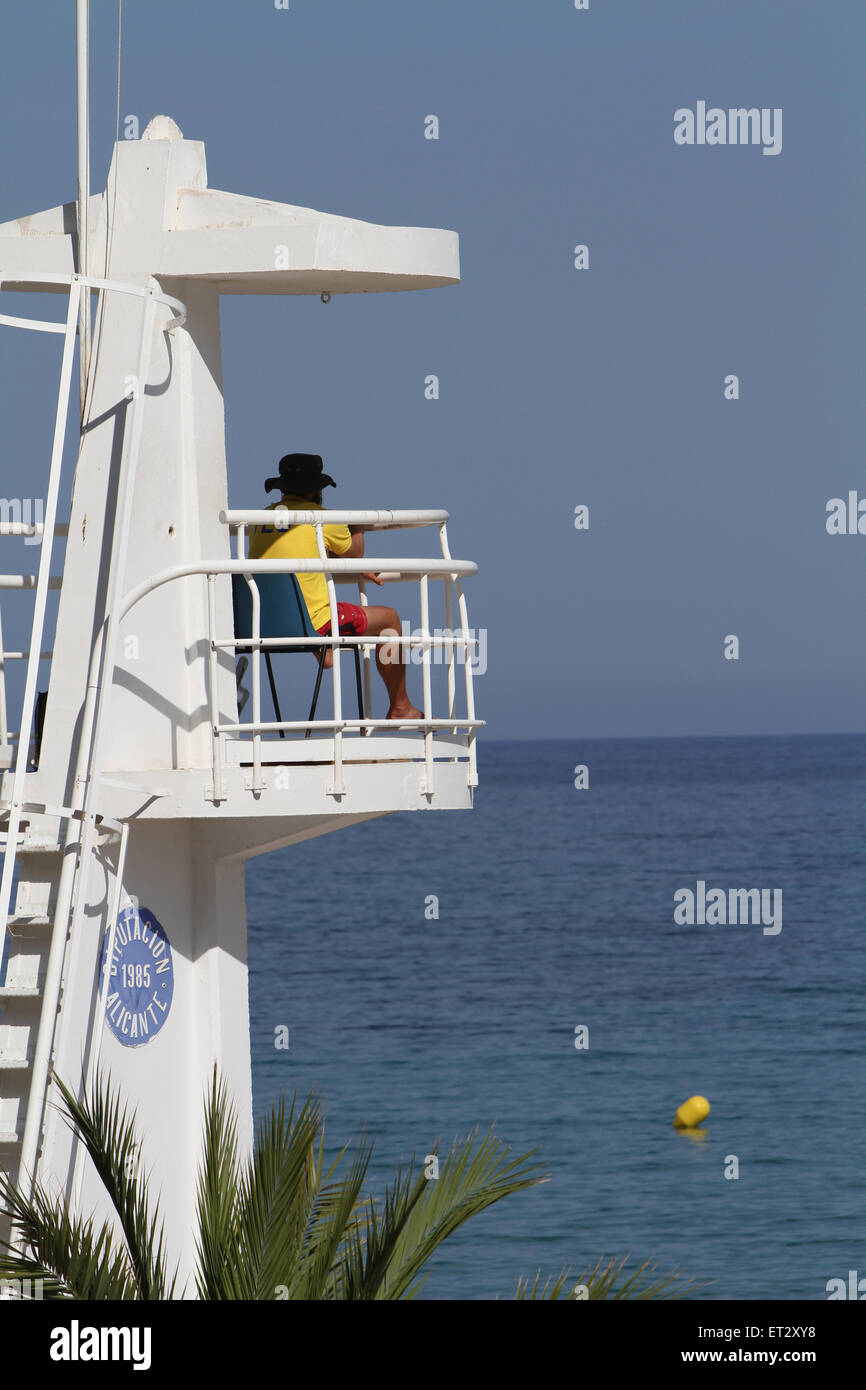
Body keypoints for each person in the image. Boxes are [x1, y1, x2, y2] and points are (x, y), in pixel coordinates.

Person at [247, 453, 422, 722]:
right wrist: (357, 525)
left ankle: (324, 652)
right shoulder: (321, 518)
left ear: (282, 489)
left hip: (265, 621)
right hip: (312, 621)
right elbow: (354, 553)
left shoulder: (258, 520)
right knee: (390, 619)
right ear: (317, 489)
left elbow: (293, 551)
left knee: (307, 603)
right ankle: (401, 707)